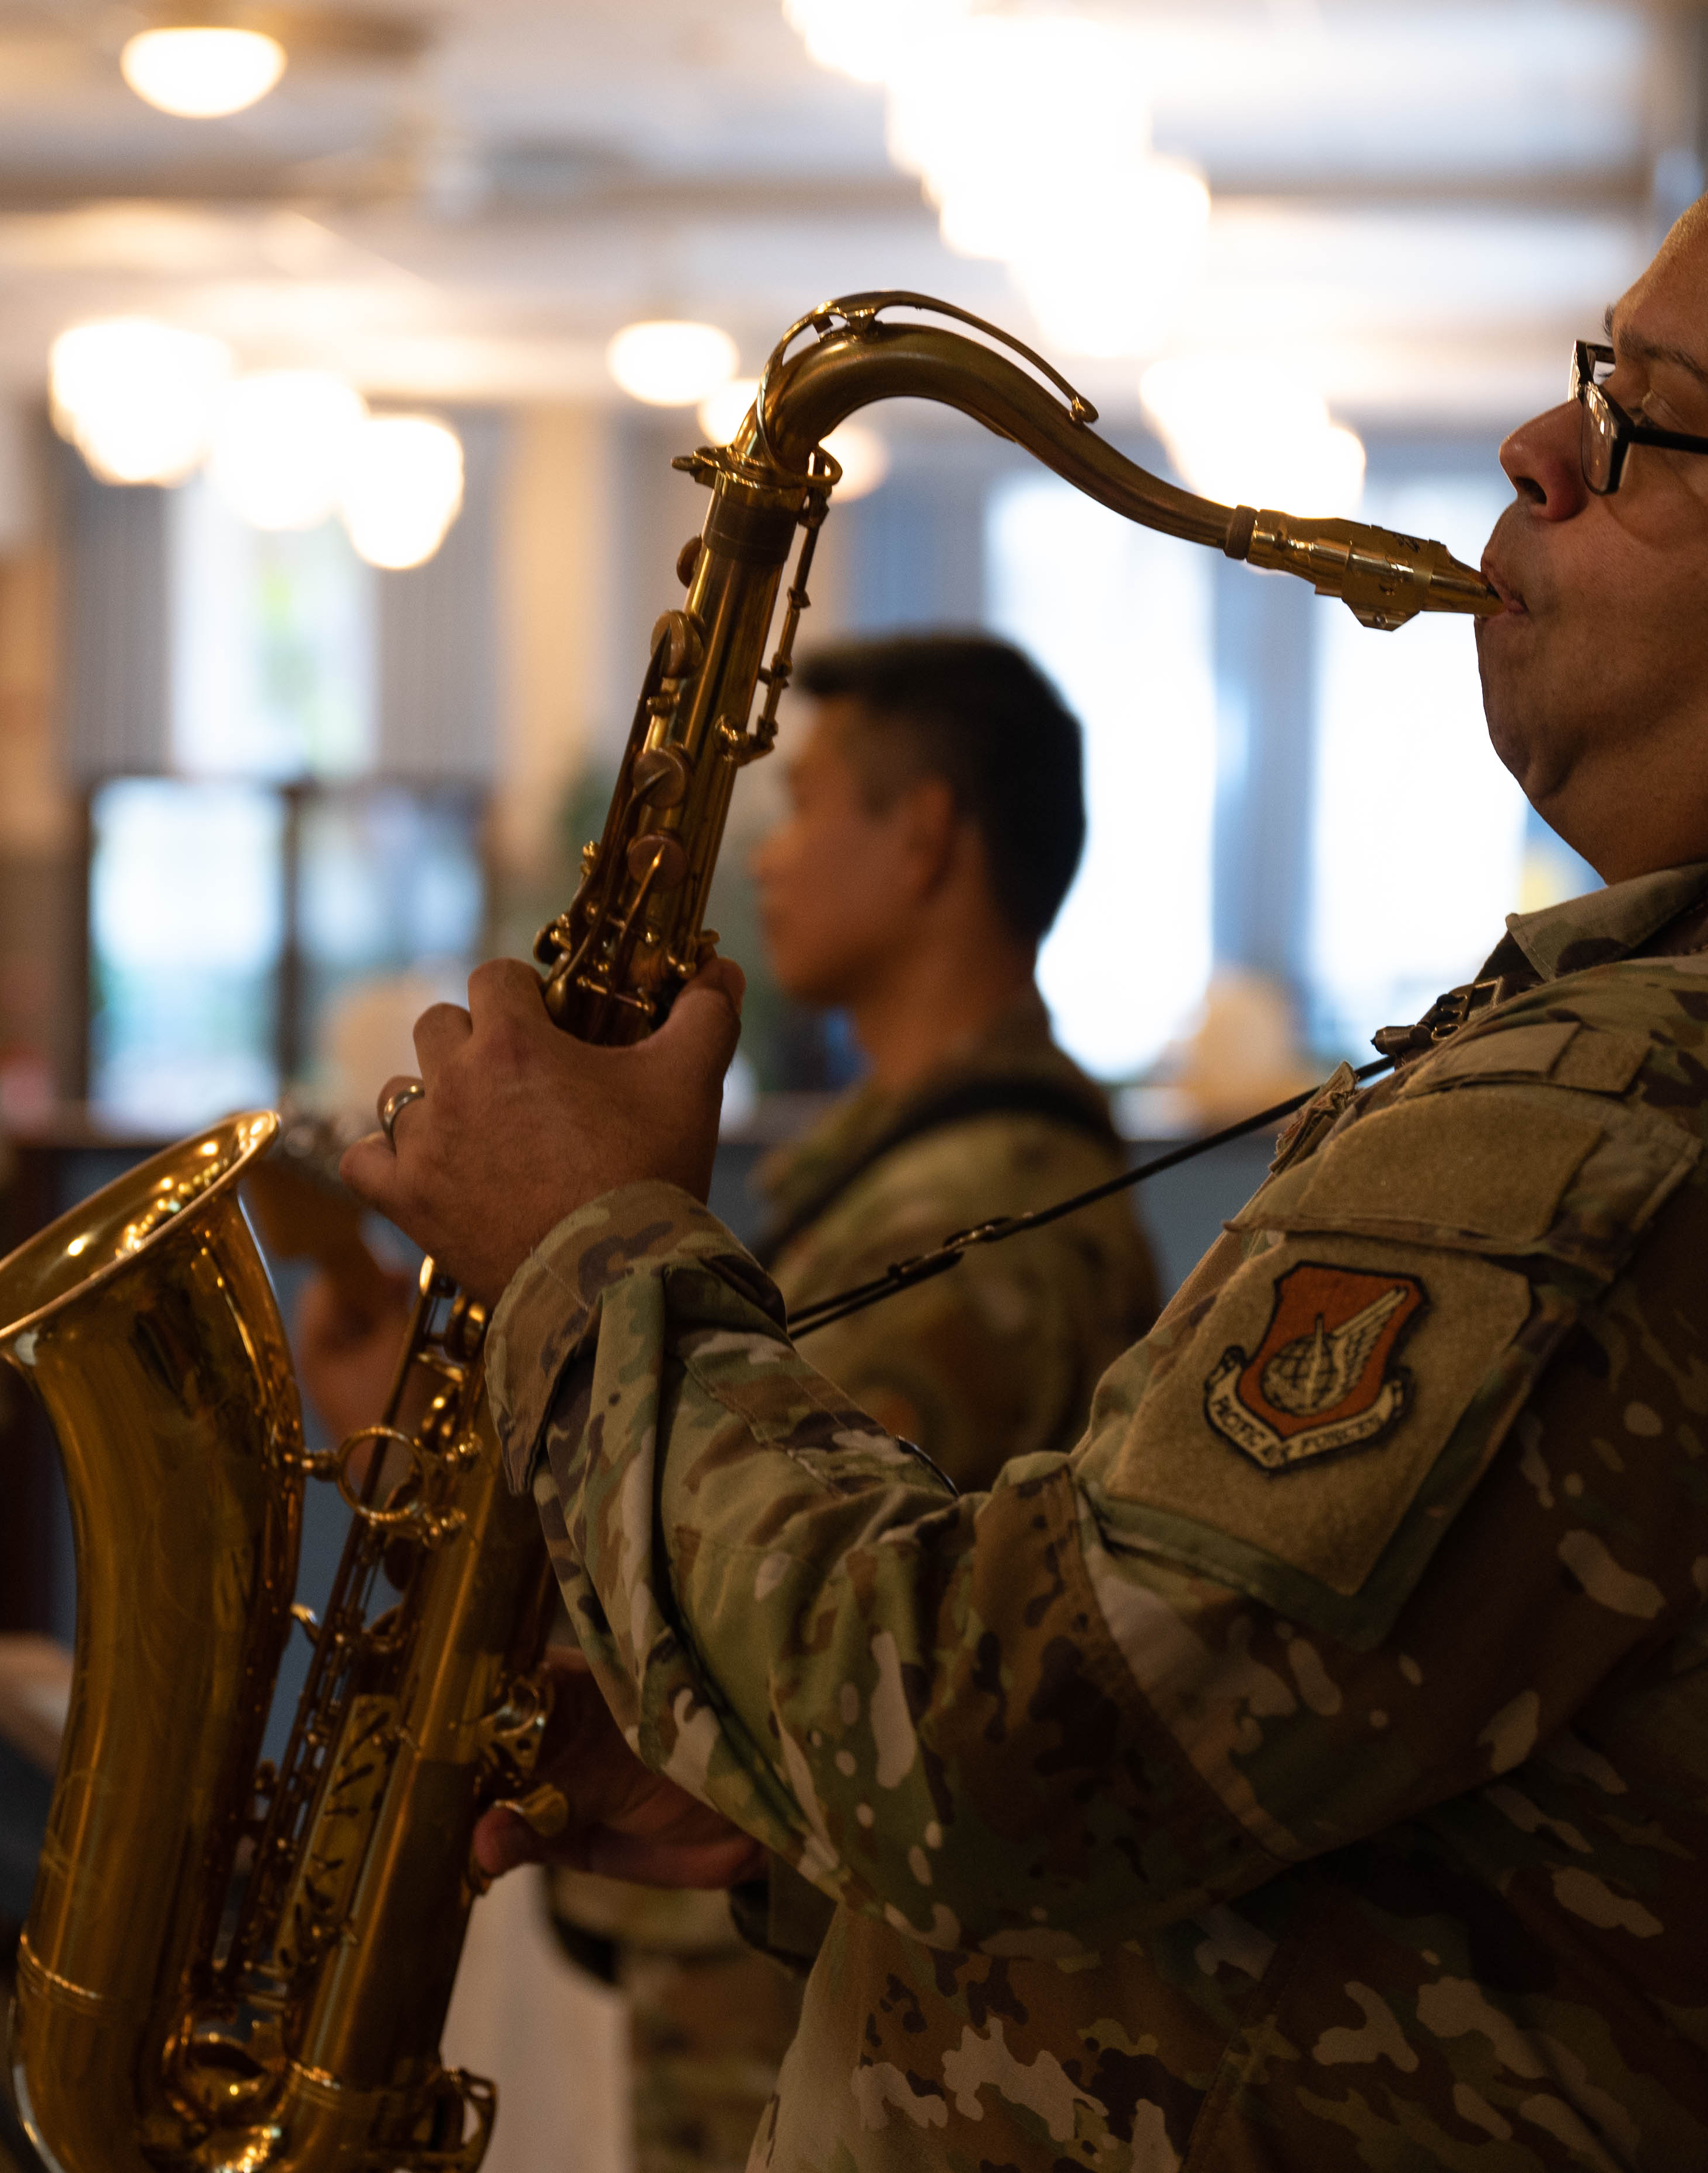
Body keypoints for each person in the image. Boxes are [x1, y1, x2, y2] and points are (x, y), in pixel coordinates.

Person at [348, 130, 1708, 2168]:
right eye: (1583, 384)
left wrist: (589, 1250)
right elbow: (1378, 1830)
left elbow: (991, 1756)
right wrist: (774, 1796)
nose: (1534, 452)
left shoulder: (1670, 1129)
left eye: (1644, 426)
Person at [301, 634, 1167, 2171]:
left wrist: (427, 1451)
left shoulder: (977, 1202)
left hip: (811, 2019)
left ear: (924, 835)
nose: (765, 855)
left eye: (809, 800)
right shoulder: (912, 1157)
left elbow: (777, 1608)